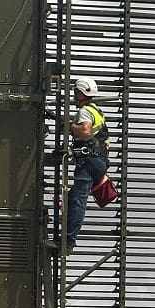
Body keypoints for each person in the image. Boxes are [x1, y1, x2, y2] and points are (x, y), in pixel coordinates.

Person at [65, 76, 111, 253]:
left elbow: (85, 132)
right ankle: (67, 236)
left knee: (78, 200)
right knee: (73, 198)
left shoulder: (84, 112)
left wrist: (70, 126)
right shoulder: (97, 111)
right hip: (99, 161)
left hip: (89, 159)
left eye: (76, 93)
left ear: (80, 93)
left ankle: (68, 241)